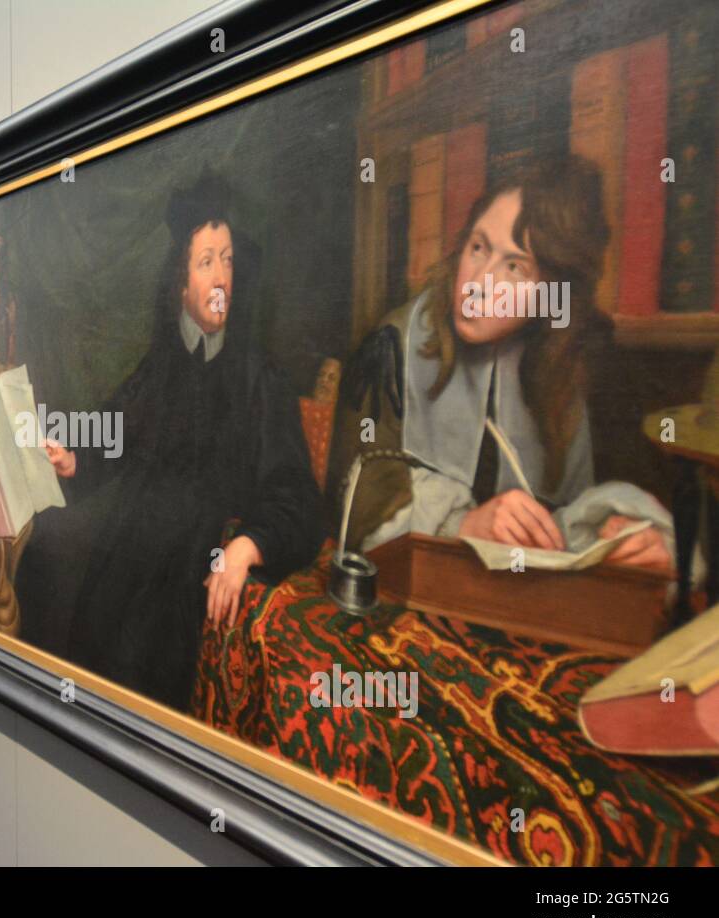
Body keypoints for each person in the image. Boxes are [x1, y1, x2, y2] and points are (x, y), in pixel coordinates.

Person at [43, 171, 324, 711]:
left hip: (201, 556)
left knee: (150, 659)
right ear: (181, 284)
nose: (221, 278)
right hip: (140, 543)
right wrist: (76, 457)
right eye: (205, 262)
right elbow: (116, 427)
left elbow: (295, 494)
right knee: (85, 616)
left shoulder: (260, 379)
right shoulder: (164, 363)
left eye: (228, 259)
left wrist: (248, 545)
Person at [336, 156, 673, 568]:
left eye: (514, 266)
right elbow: (353, 494)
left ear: (554, 290)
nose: (479, 283)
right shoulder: (392, 346)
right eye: (478, 248)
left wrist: (637, 535)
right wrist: (461, 524)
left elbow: (628, 489)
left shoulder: (589, 363)